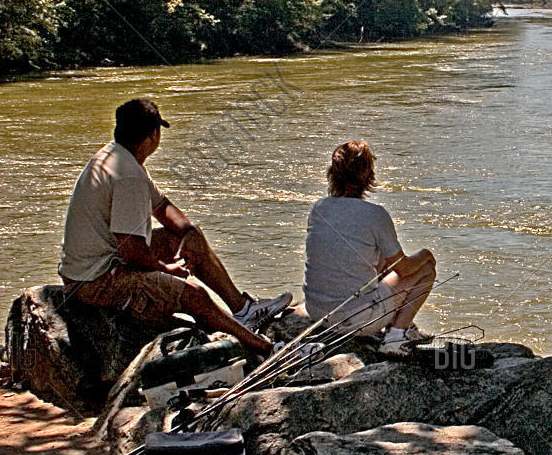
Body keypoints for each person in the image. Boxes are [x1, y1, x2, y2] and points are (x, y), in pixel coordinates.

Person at [59, 98, 290, 355]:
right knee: (193, 294)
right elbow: (132, 251)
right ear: (153, 135)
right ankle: (265, 348)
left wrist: (189, 232)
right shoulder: (128, 176)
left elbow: (162, 208)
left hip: (98, 267)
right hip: (95, 282)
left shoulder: (116, 156)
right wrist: (166, 269)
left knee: (187, 238)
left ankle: (243, 310)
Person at [303, 140, 436, 358]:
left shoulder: (318, 208)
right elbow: (403, 269)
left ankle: (401, 323)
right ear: (368, 177)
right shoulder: (375, 214)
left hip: (317, 312)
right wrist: (425, 255)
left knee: (381, 259)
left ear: (332, 175)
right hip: (356, 319)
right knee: (426, 268)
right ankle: (396, 336)